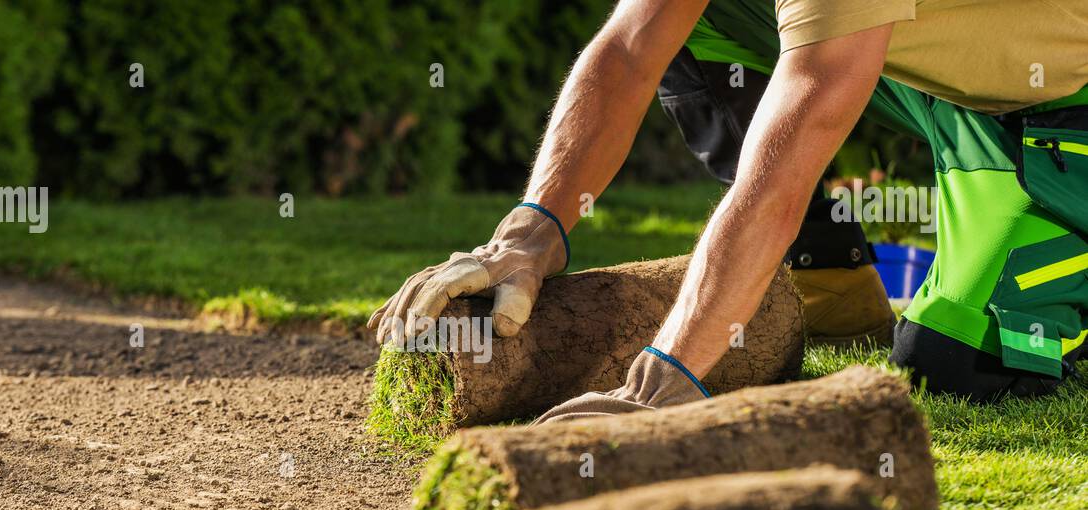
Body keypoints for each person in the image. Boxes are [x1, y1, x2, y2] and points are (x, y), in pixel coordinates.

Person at [367, 0, 1088, 420]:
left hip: (1062, 113)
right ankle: (833, 292)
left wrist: (670, 371)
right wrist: (525, 237)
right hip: (947, 76)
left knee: (954, 364)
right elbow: (626, 50)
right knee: (697, 19)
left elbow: (792, 149)